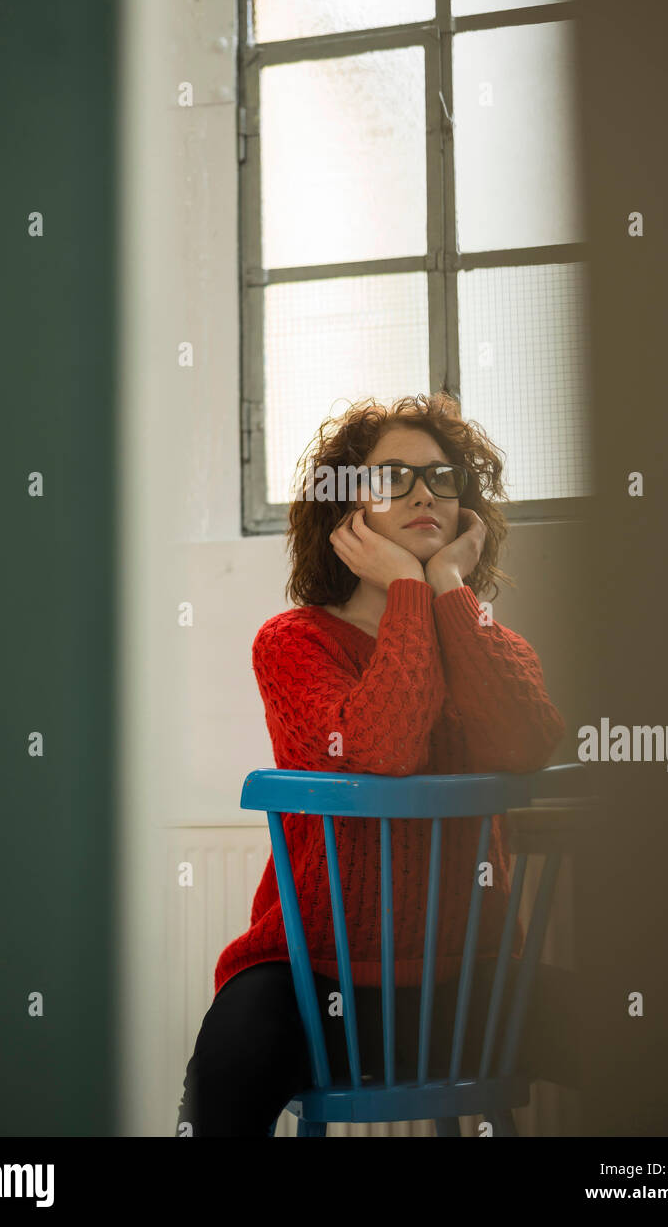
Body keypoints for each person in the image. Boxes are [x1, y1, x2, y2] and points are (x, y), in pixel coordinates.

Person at [176, 392, 580, 1137]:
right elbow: (380, 749)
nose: (425, 492)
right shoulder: (293, 643)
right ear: (345, 513)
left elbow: (528, 742)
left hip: (475, 990)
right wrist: (403, 587)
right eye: (393, 477)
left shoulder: (489, 640)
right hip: (314, 985)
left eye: (441, 478)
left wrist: (447, 591)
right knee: (220, 1089)